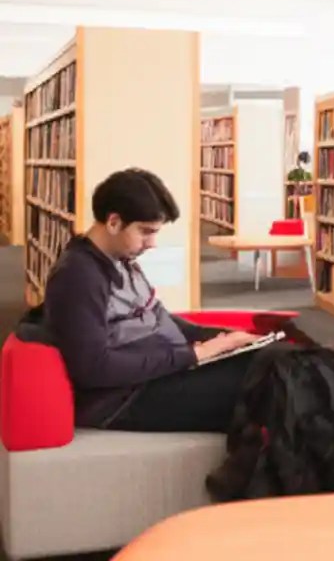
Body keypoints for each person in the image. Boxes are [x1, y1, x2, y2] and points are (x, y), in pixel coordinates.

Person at [44, 168, 267, 432]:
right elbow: (92, 368)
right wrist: (194, 354)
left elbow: (157, 317)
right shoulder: (79, 276)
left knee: (275, 360)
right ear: (114, 222)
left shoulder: (121, 260)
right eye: (145, 232)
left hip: (160, 373)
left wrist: (223, 338)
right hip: (125, 397)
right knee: (274, 385)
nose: (152, 244)